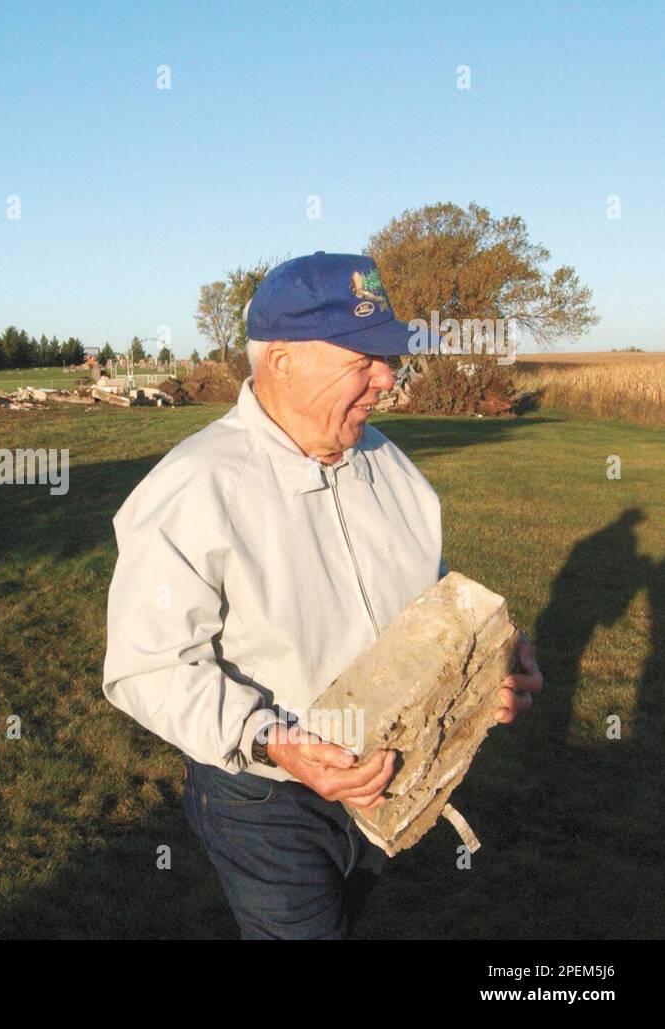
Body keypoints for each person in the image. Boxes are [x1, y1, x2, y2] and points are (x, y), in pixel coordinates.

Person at [101, 252, 543, 939]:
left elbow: (433, 600)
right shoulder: (194, 488)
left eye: (388, 356)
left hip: (392, 777)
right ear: (280, 361)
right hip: (266, 801)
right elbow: (146, 666)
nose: (387, 379)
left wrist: (494, 657)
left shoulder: (388, 464)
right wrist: (272, 740)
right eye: (362, 358)